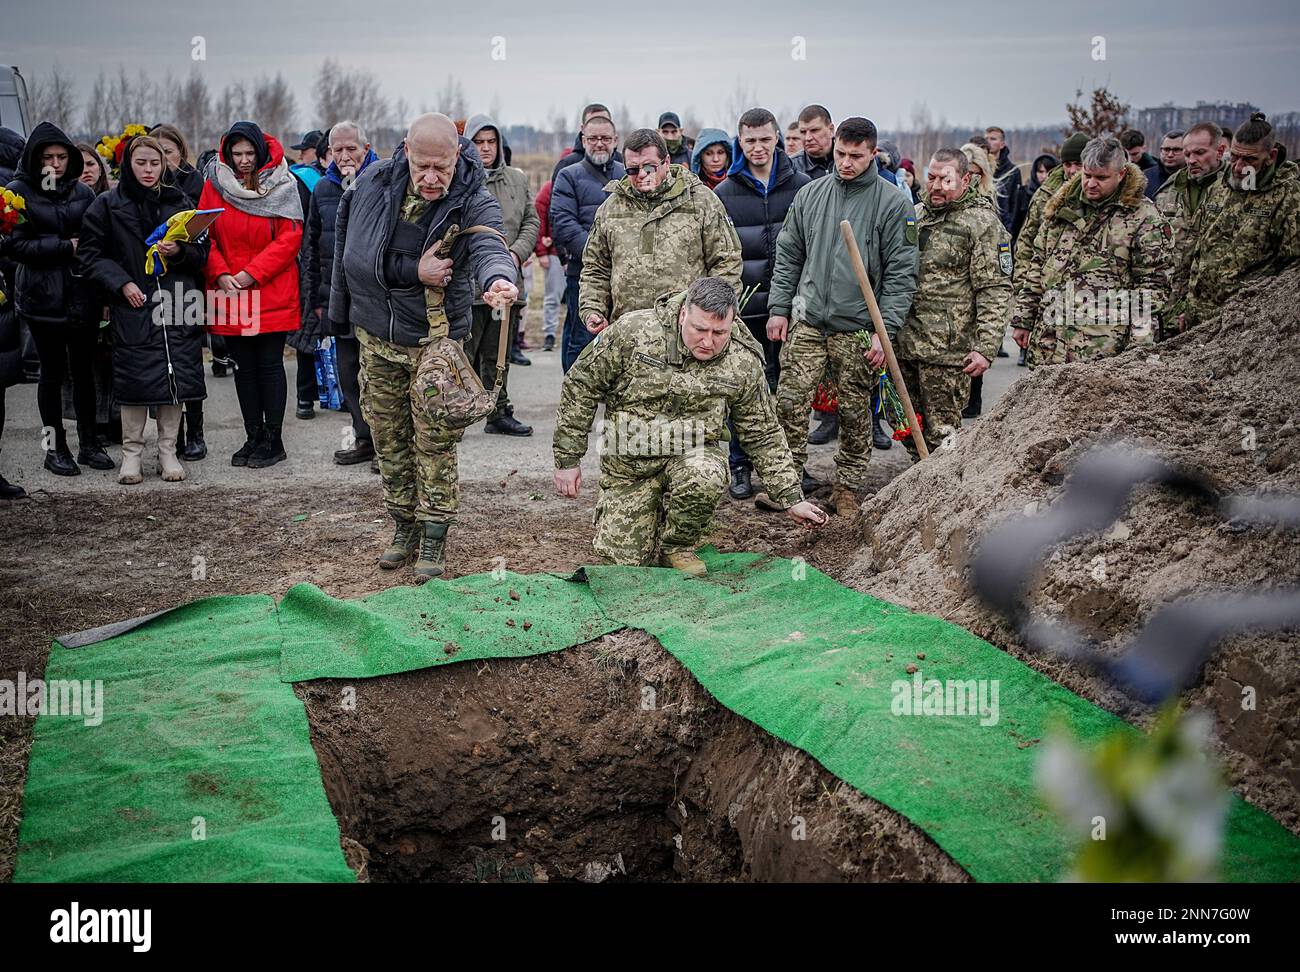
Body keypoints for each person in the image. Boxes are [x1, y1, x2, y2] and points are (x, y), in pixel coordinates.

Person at [330, 113, 518, 580]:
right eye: (422, 167)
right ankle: (403, 526)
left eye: (442, 167)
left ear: (458, 156)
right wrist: (414, 271)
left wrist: (498, 278)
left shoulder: (472, 195)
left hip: (437, 341)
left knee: (434, 442)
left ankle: (435, 536)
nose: (432, 178)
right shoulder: (375, 183)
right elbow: (353, 255)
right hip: (378, 336)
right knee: (388, 440)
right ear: (406, 152)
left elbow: (489, 244)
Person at [554, 277, 827, 575]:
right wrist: (567, 459)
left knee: (704, 475)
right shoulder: (634, 332)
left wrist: (790, 497)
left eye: (719, 332)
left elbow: (761, 431)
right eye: (700, 329)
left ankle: (678, 544)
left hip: (692, 454)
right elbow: (581, 386)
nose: (708, 341)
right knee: (626, 568)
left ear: (732, 322)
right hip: (629, 464)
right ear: (684, 313)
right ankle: (640, 516)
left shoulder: (742, 359)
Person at [767, 116, 919, 517]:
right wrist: (780, 308)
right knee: (789, 402)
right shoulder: (811, 195)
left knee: (855, 411)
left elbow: (902, 276)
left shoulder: (893, 203)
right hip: (810, 319)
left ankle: (847, 488)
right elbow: (789, 255)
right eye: (840, 154)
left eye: (856, 156)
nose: (846, 163)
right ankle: (787, 483)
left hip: (858, 327)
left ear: (873, 153)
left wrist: (883, 333)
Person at [77, 135, 209, 485]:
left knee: (175, 377)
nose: (149, 170)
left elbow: (202, 255)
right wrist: (121, 283)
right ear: (128, 164)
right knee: (134, 379)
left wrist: (178, 253)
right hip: (133, 304)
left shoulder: (180, 201)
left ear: (164, 164)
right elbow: (90, 256)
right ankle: (131, 454)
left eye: (155, 162)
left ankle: (168, 451)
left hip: (177, 303)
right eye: (141, 163)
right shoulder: (106, 205)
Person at [713, 107, 810, 499]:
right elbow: (719, 254)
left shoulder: (801, 186)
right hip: (746, 307)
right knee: (743, 389)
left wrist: (790, 303)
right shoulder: (725, 192)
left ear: (777, 140)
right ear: (741, 142)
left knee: (788, 390)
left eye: (765, 139)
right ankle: (740, 465)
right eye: (750, 140)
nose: (758, 147)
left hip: (791, 306)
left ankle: (787, 468)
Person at [4, 121, 109, 475]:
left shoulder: (82, 193)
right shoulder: (16, 192)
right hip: (41, 297)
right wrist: (65, 246)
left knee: (83, 372)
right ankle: (54, 448)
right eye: (48, 157)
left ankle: (89, 443)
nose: (56, 163)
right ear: (35, 158)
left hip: (81, 295)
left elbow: (98, 237)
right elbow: (13, 244)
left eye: (62, 156)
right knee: (50, 376)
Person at [1011, 136, 1172, 367]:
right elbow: (1039, 264)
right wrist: (1024, 319)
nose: (1091, 184)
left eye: (1101, 177)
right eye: (1087, 175)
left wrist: (1140, 350)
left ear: (1121, 174)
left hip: (1104, 351)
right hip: (1050, 344)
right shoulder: (1062, 208)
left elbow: (1152, 288)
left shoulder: (1143, 218)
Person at [198, 120, 304, 469]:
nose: (244, 160)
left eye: (249, 153)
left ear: (260, 152)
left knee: (269, 364)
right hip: (228, 289)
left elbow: (289, 239)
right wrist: (222, 273)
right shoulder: (214, 184)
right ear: (227, 153)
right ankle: (253, 434)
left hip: (270, 287)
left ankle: (274, 440)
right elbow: (203, 234)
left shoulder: (282, 184)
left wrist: (250, 274)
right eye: (237, 153)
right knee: (243, 367)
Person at [895, 148, 1011, 459]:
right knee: (909, 425)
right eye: (931, 177)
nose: (935, 186)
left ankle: (945, 487)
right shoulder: (915, 216)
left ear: (965, 179)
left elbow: (995, 288)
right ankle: (919, 479)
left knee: (944, 432)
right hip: (905, 343)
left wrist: (986, 347)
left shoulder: (982, 223)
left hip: (948, 350)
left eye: (945, 179)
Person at [579, 128, 742, 334]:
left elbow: (726, 261)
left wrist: (711, 315)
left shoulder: (701, 201)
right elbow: (596, 267)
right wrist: (593, 308)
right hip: (628, 334)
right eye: (632, 169)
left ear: (666, 161)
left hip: (687, 333)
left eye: (649, 167)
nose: (642, 175)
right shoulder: (611, 208)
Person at [1181, 112, 1300, 331]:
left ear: (1271, 156)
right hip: (1197, 317)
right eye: (1234, 156)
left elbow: (1291, 269)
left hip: (1245, 324)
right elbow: (1195, 249)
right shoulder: (1220, 186)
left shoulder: (1288, 196)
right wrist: (1183, 305)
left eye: (1249, 159)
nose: (1238, 166)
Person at [303, 120, 378, 466]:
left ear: (365, 147)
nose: (345, 155)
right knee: (349, 373)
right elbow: (314, 249)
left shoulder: (383, 180)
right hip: (339, 299)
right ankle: (363, 437)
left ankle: (388, 447)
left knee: (381, 374)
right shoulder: (322, 190)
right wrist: (319, 301)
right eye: (338, 150)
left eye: (352, 148)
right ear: (328, 153)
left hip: (377, 300)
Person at [464, 113, 540, 437]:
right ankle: (458, 414)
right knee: (464, 351)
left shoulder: (517, 180)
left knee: (499, 352)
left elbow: (531, 221)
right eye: (479, 142)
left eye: (491, 141)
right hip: (468, 284)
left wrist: (515, 253)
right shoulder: (461, 181)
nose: (485, 148)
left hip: (507, 283)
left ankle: (497, 411)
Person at [150, 123, 211, 460]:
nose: (162, 160)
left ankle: (196, 432)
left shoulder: (195, 185)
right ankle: (169, 437)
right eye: (156, 154)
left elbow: (204, 237)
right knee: (162, 359)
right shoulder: (146, 189)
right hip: (155, 284)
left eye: (168, 153)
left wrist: (182, 251)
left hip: (188, 283)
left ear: (180, 153)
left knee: (188, 360)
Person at [550, 113, 625, 371]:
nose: (599, 143)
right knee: (581, 337)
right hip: (582, 273)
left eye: (605, 138)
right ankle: (575, 396)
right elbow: (563, 224)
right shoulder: (568, 175)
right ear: (583, 140)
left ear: (615, 140)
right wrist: (601, 256)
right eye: (593, 138)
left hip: (624, 274)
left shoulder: (627, 175)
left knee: (620, 338)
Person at [532, 172, 566, 352]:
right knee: (552, 296)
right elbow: (538, 219)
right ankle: (549, 335)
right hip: (553, 252)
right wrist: (541, 251)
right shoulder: (548, 189)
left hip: (575, 251)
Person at [552, 103, 621, 182]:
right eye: (593, 122)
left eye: (604, 121)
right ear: (583, 128)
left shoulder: (624, 164)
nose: (599, 126)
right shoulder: (567, 165)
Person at [985, 127, 1023, 237]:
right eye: (986, 138)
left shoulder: (1012, 171)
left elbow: (1015, 205)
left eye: (993, 139)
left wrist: (1010, 230)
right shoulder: (979, 169)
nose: (988, 142)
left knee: (1004, 253)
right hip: (982, 225)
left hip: (1004, 229)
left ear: (1002, 144)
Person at [793, 105, 835, 180]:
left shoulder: (849, 161)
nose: (808, 138)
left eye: (814, 130)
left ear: (831, 130)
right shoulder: (791, 167)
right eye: (803, 132)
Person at [1144, 130, 1185, 201]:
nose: (1170, 155)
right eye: (1166, 149)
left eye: (1176, 150)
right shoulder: (1144, 178)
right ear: (1160, 150)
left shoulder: (1194, 178)